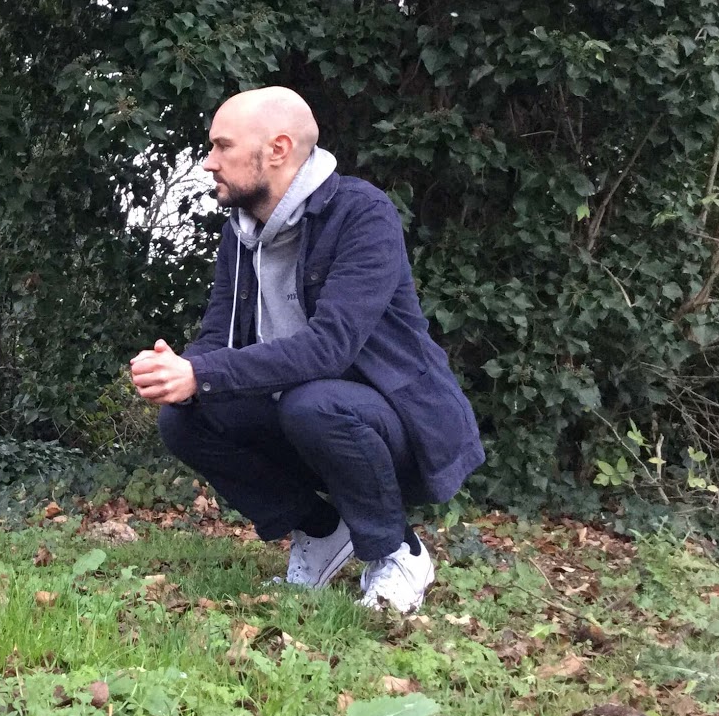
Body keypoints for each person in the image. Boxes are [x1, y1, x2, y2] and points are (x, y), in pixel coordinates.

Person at [128, 87, 484, 612]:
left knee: (312, 402)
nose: (208, 162)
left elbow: (330, 348)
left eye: (223, 146)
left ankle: (398, 552)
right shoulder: (240, 235)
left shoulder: (363, 214)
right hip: (305, 420)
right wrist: (178, 371)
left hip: (394, 428)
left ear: (277, 149)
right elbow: (217, 338)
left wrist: (201, 373)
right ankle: (320, 531)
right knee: (184, 418)